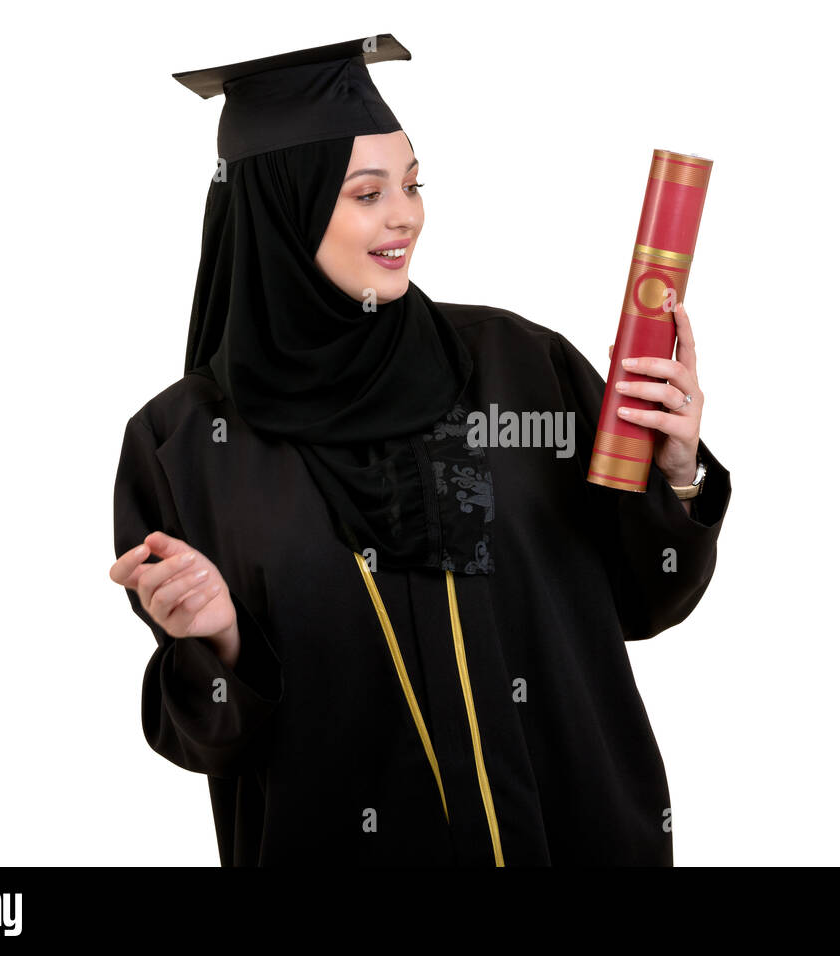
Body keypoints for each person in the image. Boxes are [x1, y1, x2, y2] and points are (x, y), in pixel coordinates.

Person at [108, 35, 732, 866]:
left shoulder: (520, 366)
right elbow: (206, 740)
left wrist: (678, 472)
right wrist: (218, 641)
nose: (404, 214)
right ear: (281, 210)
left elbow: (645, 599)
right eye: (367, 193)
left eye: (411, 184)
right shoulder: (183, 447)